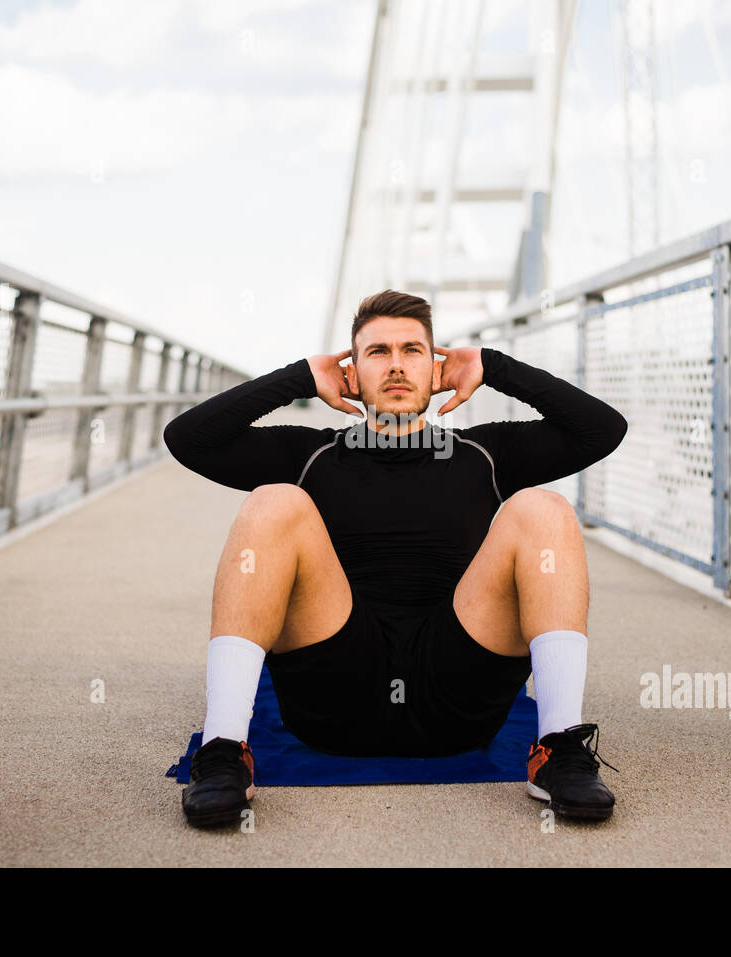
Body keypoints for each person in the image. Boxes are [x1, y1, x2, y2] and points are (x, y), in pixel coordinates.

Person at [163, 289, 628, 828]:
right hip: (334, 688)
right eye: (377, 352)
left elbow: (602, 429)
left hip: (458, 689)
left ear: (438, 372)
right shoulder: (309, 455)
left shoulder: (486, 454)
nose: (397, 365)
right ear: (351, 375)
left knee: (543, 508)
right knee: (274, 501)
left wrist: (493, 366)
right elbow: (187, 439)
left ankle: (559, 748)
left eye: (412, 351)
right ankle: (224, 751)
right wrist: (297, 377)